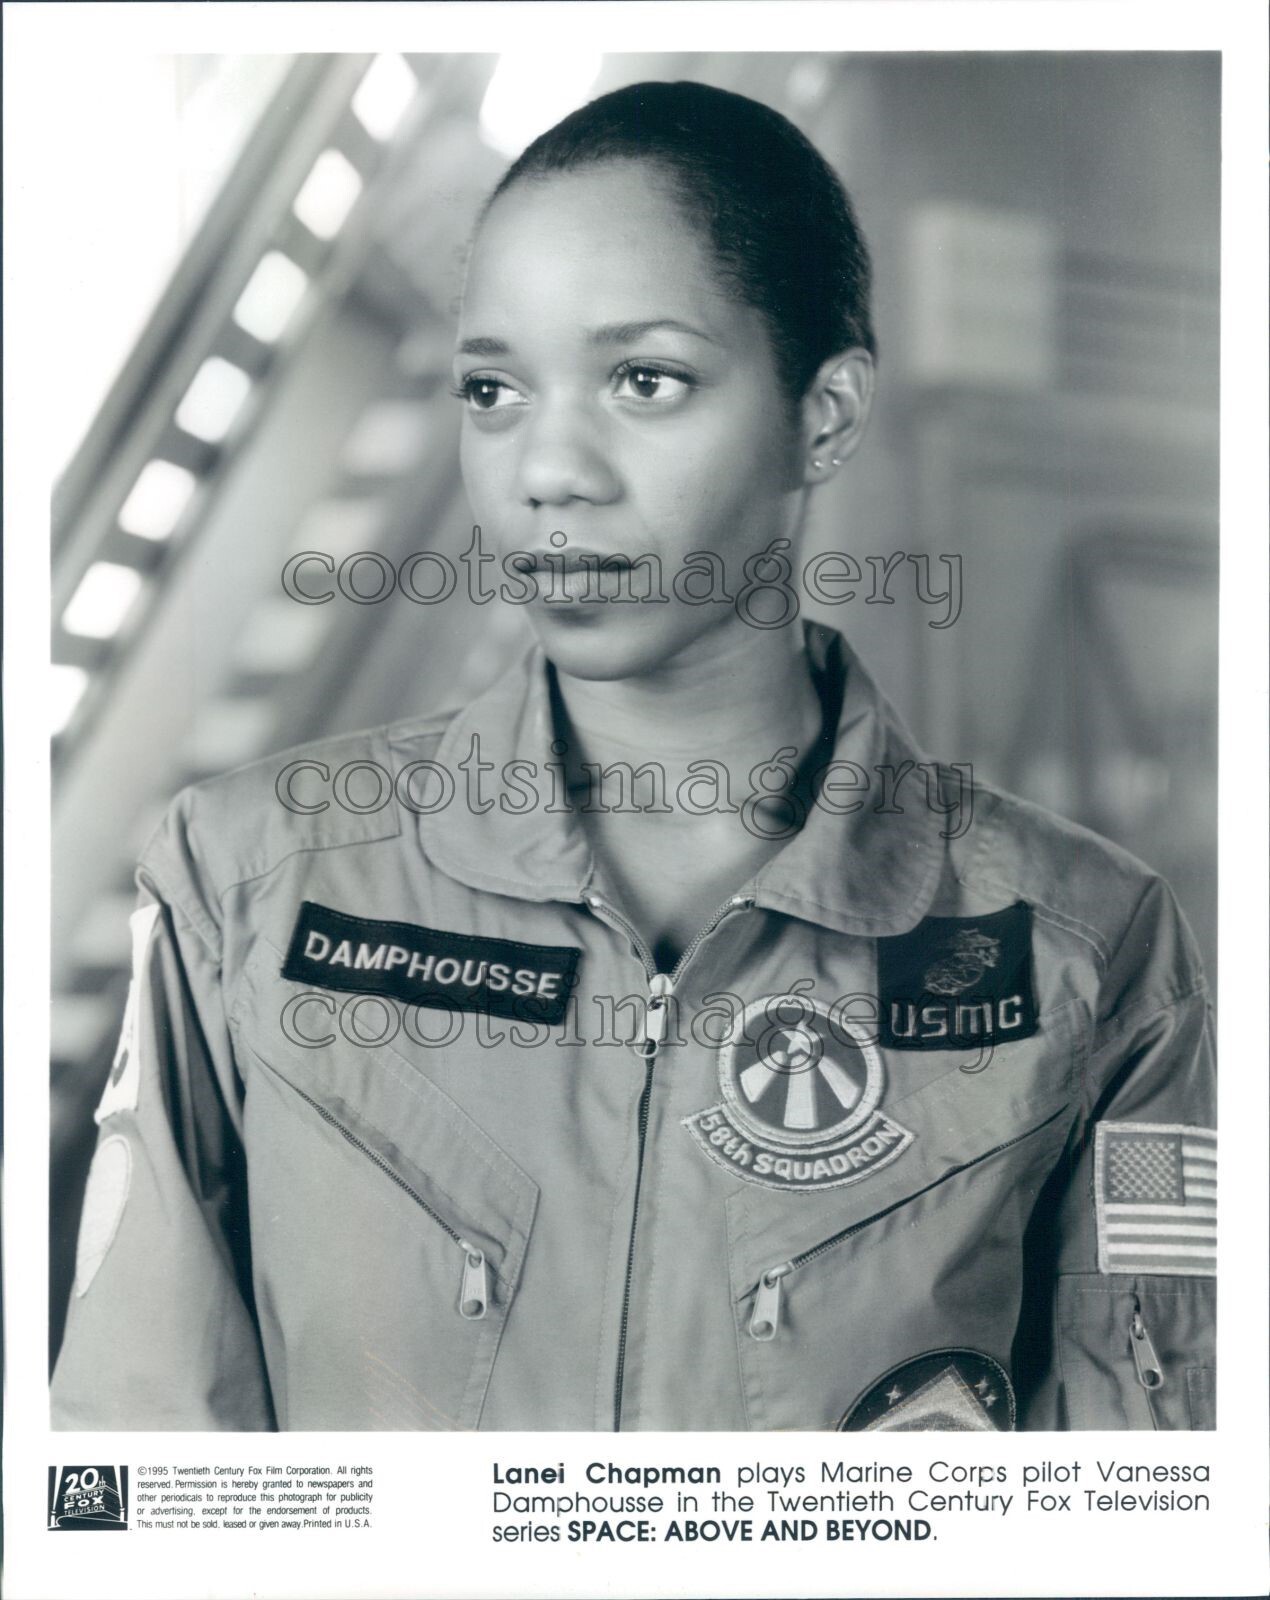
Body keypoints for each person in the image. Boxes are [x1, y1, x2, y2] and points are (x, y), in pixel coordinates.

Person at [52, 80, 1215, 1432]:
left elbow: (1146, 1491)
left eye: (643, 380)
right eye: (491, 388)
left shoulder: (1086, 945)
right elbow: (140, 1475)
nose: (546, 467)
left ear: (823, 415)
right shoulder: (250, 884)